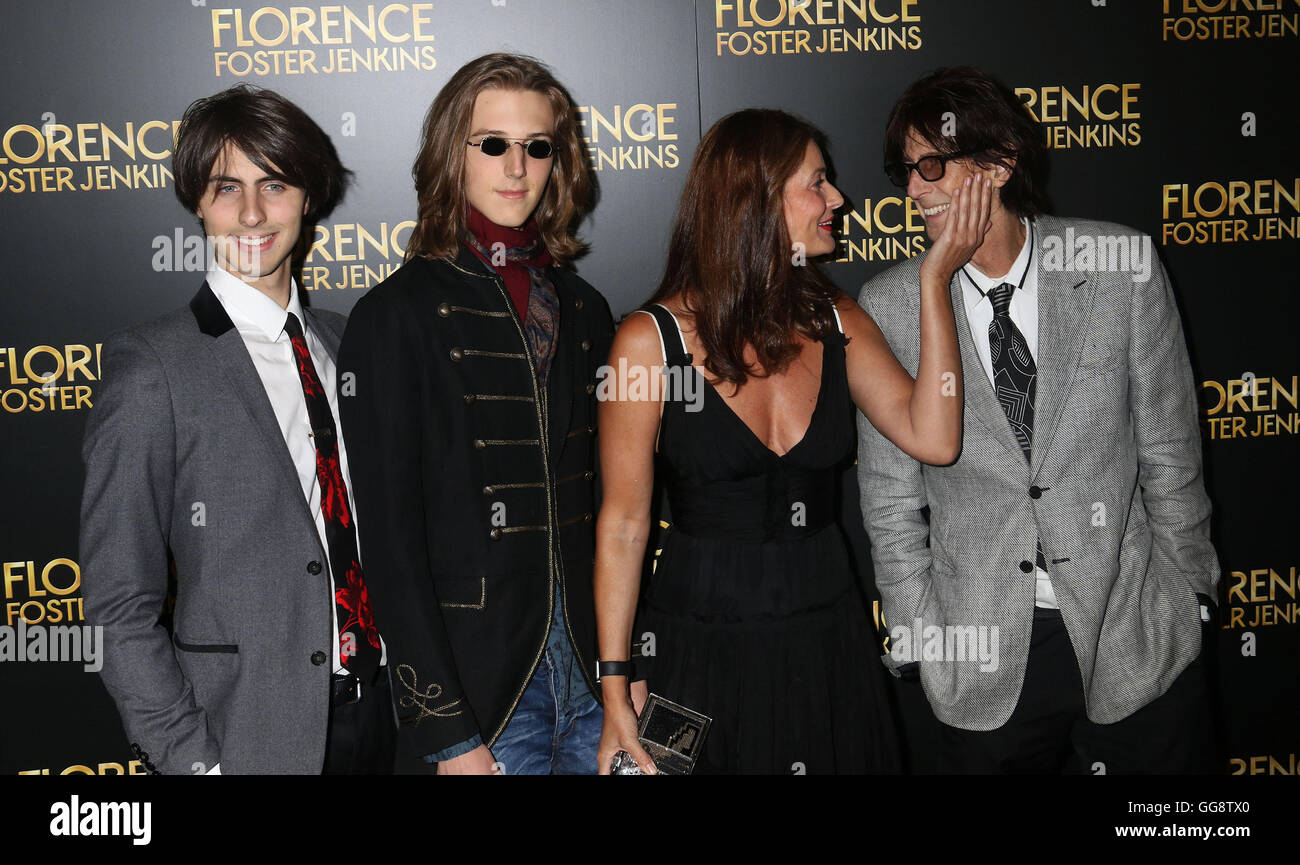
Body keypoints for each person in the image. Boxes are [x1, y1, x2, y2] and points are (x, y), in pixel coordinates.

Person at [594, 108, 987, 774]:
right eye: (818, 183)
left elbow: (936, 434)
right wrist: (614, 686)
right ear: (756, 201)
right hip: (695, 642)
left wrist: (934, 281)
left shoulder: (837, 317)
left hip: (825, 633)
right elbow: (624, 526)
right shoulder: (648, 341)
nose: (840, 199)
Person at [858, 67, 1220, 773]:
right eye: (905, 169)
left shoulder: (1120, 266)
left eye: (933, 163)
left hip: (1134, 630)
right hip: (984, 657)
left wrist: (1191, 591)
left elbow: (1170, 449)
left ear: (998, 162)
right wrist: (923, 636)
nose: (914, 188)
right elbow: (890, 499)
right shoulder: (892, 304)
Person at [80, 84, 395, 774]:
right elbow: (115, 606)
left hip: (386, 721)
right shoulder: (153, 368)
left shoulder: (348, 346)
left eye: (274, 183)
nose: (252, 213)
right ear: (197, 201)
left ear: (308, 196)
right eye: (227, 187)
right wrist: (197, 762)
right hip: (248, 740)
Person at [337, 53, 615, 775]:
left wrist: (624, 670)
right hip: (484, 699)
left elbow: (616, 510)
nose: (516, 166)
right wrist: (448, 736)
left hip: (591, 684)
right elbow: (390, 550)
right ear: (449, 155)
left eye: (537, 145)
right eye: (492, 143)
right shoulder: (394, 316)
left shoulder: (586, 310)